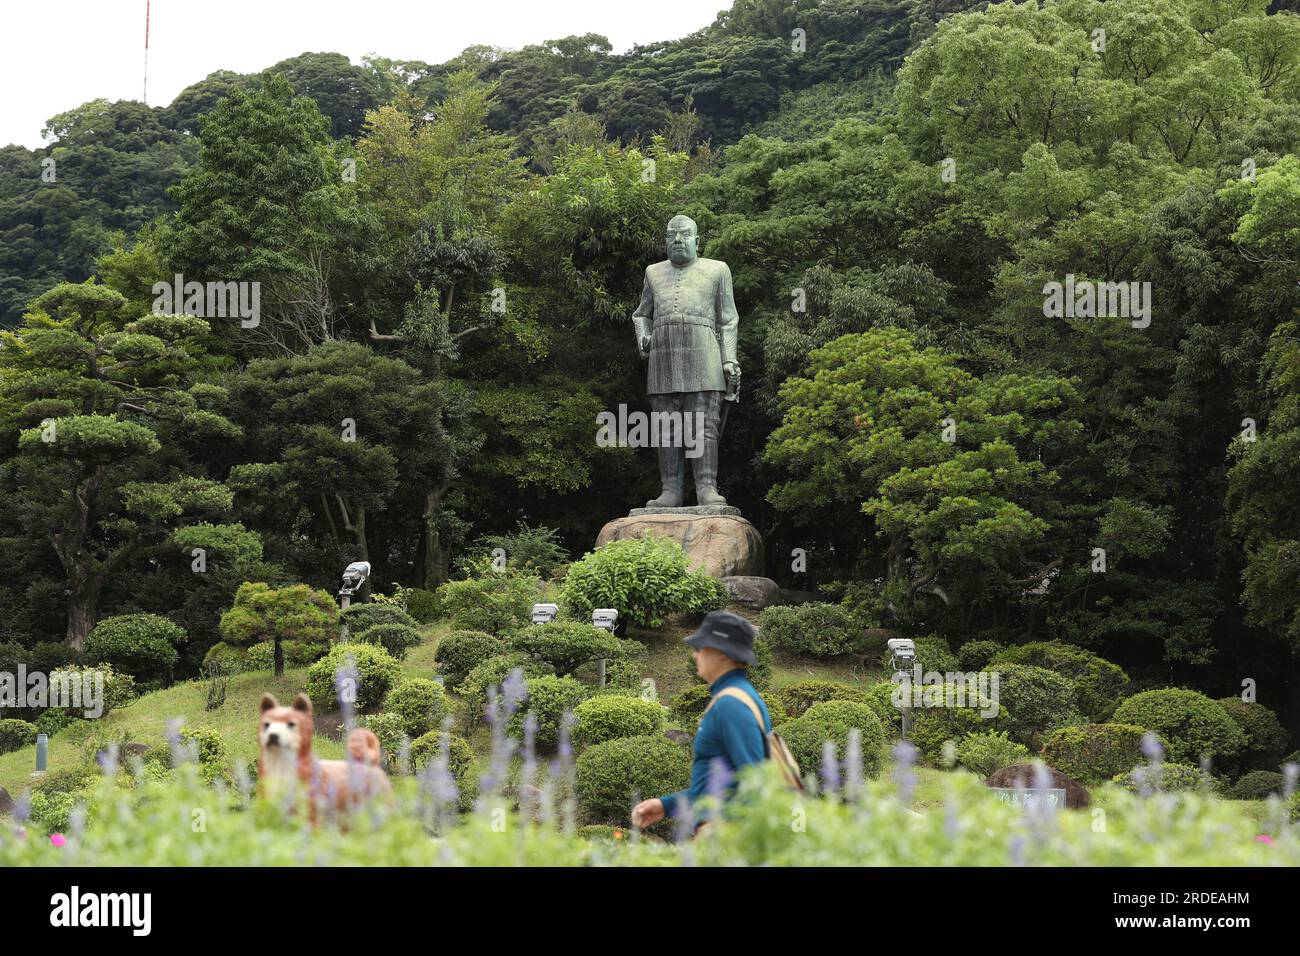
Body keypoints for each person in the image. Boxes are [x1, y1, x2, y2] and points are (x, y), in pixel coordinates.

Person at [631, 610, 771, 832]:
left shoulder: (731, 705)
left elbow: (754, 782)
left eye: (699, 648)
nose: (695, 655)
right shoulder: (733, 697)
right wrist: (666, 805)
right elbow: (716, 786)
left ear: (723, 653)